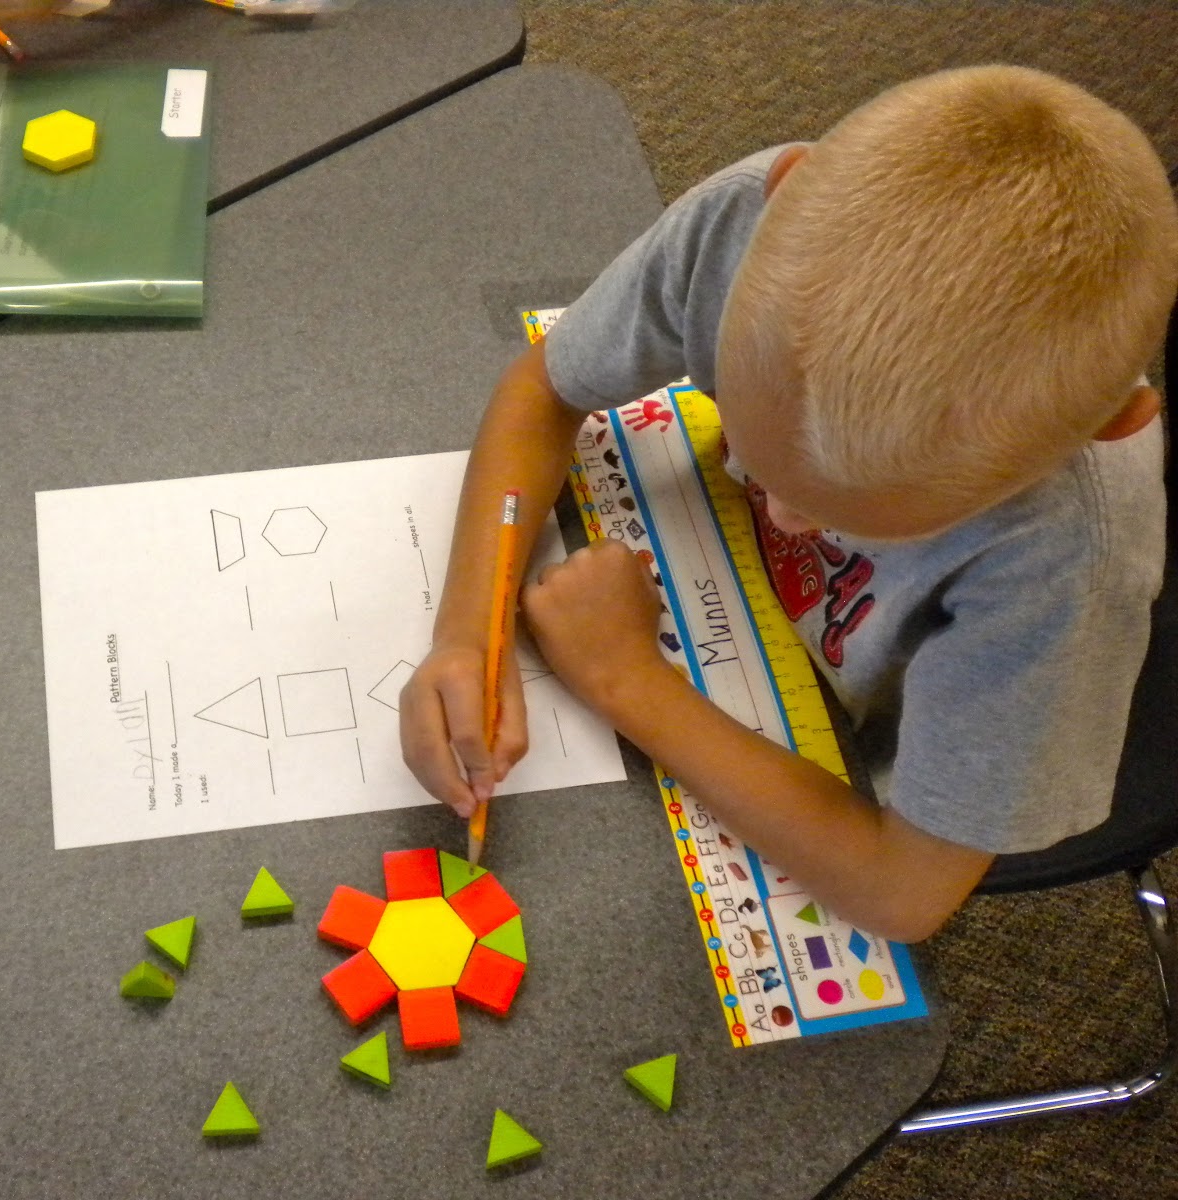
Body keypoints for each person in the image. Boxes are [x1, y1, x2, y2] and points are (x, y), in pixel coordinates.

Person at [398, 65, 1178, 943]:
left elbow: (903, 895)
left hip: (879, 754)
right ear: (786, 189)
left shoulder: (1066, 561)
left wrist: (624, 674)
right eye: (764, 459)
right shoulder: (750, 224)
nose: (784, 516)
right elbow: (544, 390)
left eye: (859, 511)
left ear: (1113, 428)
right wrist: (470, 630)